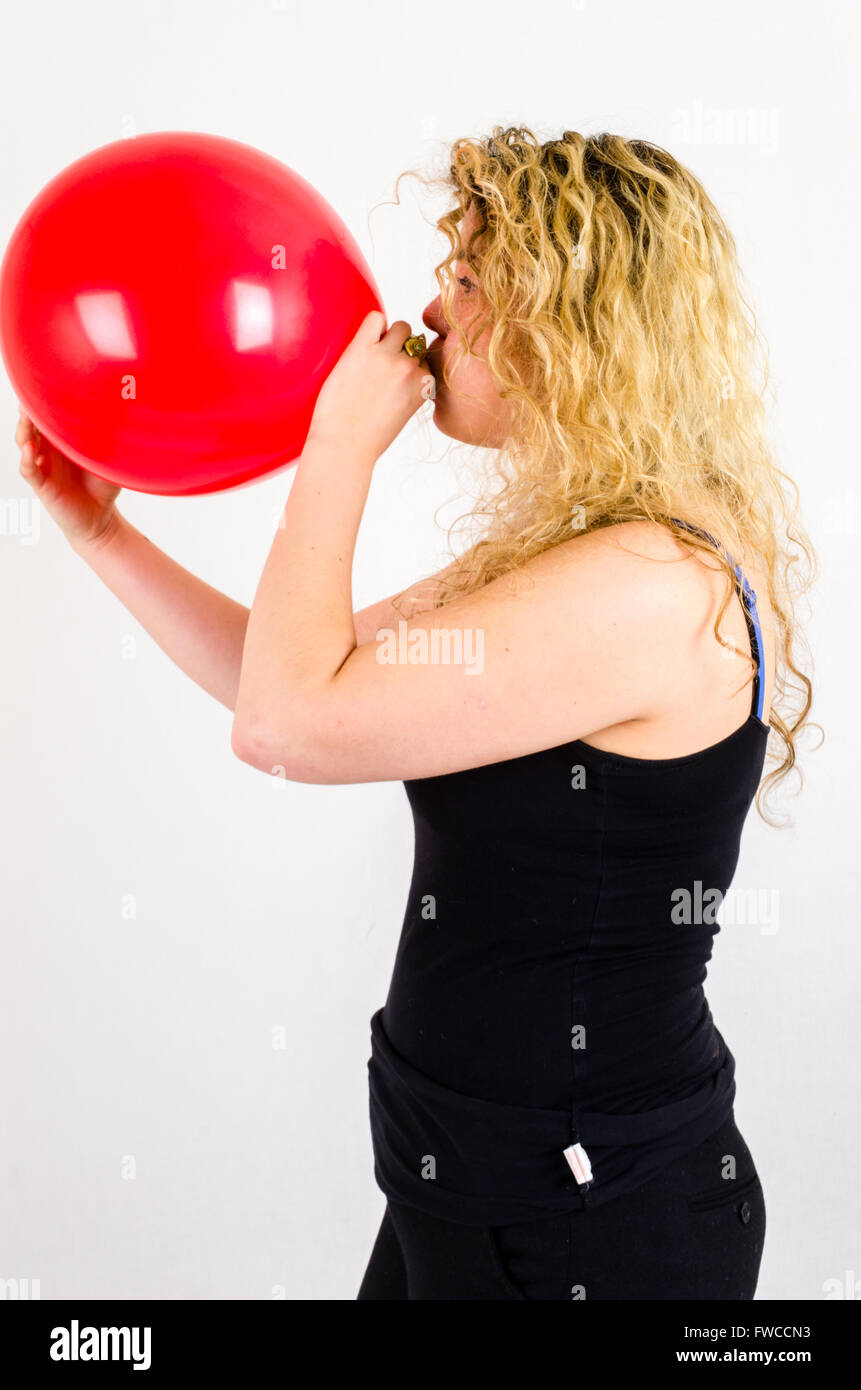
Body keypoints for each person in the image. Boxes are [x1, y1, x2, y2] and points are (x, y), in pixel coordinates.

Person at [16, 126, 814, 1300]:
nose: (431, 311)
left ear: (572, 326)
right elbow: (281, 676)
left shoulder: (648, 584)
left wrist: (339, 447)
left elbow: (285, 726)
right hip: (467, 1179)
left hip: (590, 1219)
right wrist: (99, 529)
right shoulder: (580, 551)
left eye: (472, 280)